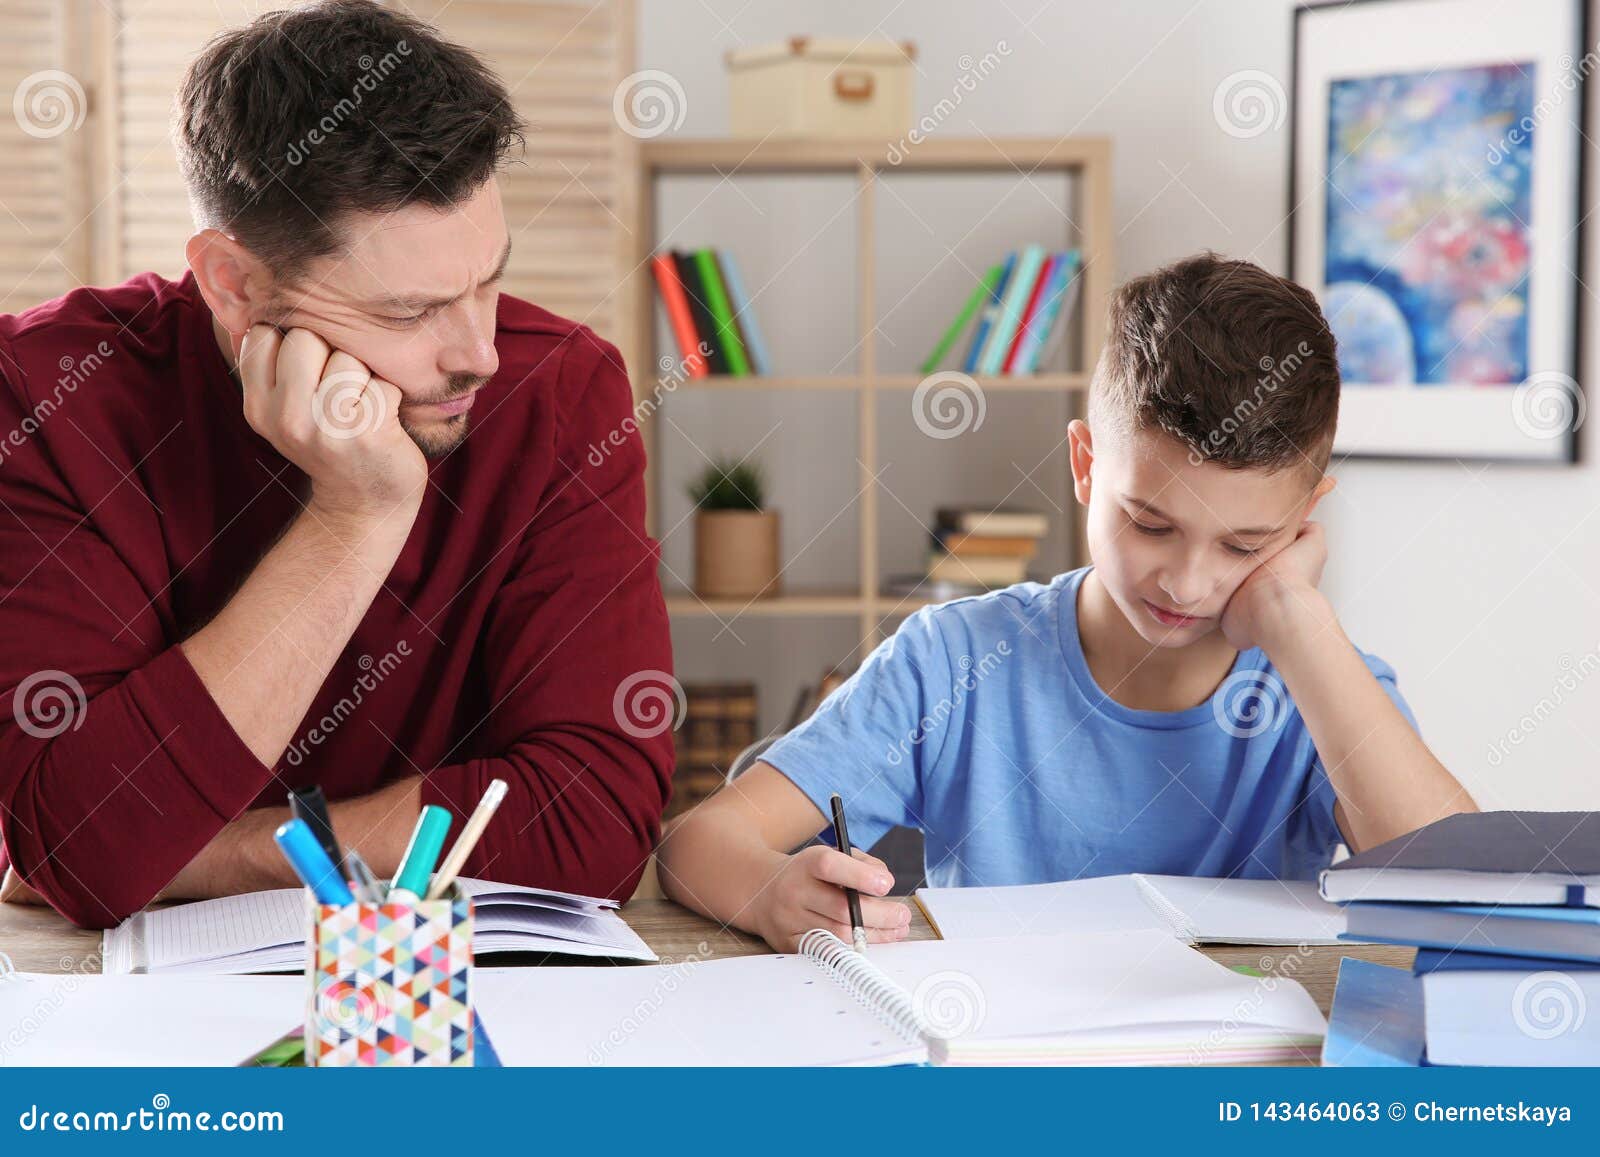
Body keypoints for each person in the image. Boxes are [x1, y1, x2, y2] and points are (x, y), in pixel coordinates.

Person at [0, 0, 672, 928]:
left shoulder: (563, 393)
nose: (477, 351)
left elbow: (594, 825)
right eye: (408, 312)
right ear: (235, 284)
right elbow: (87, 849)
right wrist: (356, 516)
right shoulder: (46, 394)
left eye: (489, 279)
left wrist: (207, 853)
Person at [657, 252, 1477, 952]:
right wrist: (770, 891)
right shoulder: (953, 658)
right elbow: (700, 842)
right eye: (1150, 523)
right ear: (1085, 465)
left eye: (1243, 545)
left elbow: (1459, 890)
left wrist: (1300, 626)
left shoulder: (1324, 686)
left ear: (1306, 520)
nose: (1187, 583)